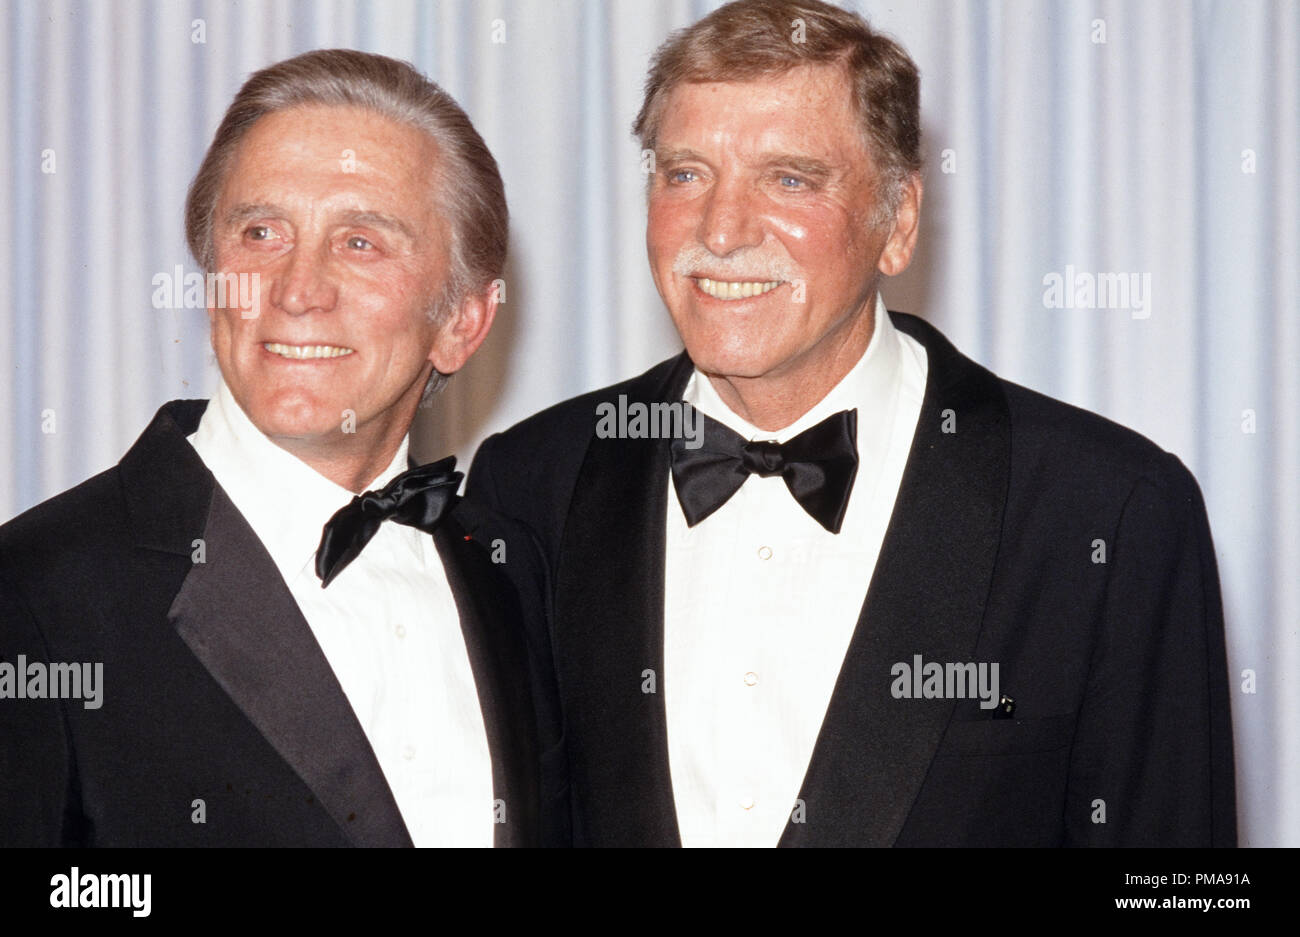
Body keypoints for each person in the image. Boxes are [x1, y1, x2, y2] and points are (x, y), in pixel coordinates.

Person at [468, 0, 1236, 846]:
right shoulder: (530, 482)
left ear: (898, 220)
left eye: (789, 178)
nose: (720, 229)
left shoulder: (1109, 511)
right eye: (685, 173)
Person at [0, 49, 565, 847]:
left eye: (361, 241)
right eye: (261, 232)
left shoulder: (514, 568)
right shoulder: (34, 595)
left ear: (461, 323)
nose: (298, 289)